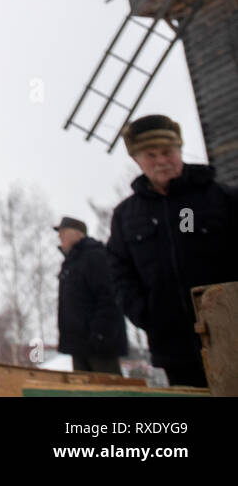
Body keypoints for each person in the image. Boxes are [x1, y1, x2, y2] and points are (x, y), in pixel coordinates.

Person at [106, 114, 238, 388]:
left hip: (232, 336)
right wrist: (146, 315)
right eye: (150, 155)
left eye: (167, 152)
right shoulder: (126, 216)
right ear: (136, 160)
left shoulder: (222, 199)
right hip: (174, 349)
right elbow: (119, 271)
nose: (161, 161)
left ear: (180, 149)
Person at [54, 216, 126, 375]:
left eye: (63, 232)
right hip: (79, 345)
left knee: (108, 389)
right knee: (83, 390)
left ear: (78, 233)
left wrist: (101, 334)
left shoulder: (94, 256)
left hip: (99, 345)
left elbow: (109, 297)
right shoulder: (71, 263)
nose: (60, 237)